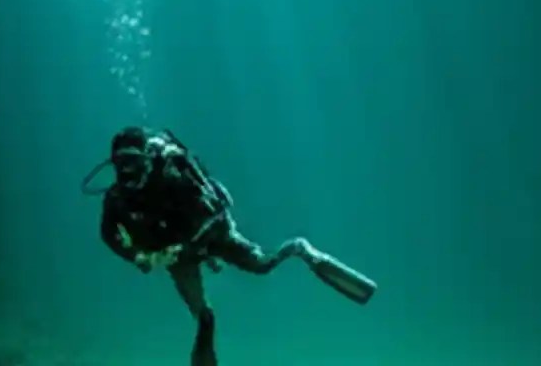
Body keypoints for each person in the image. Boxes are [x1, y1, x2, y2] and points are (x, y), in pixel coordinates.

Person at [84, 125, 377, 366]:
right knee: (203, 315)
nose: (127, 172)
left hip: (211, 238)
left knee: (261, 266)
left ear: (147, 158)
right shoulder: (117, 198)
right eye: (120, 164)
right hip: (175, 254)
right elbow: (107, 234)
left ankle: (299, 249)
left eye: (132, 162)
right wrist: (136, 256)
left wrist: (185, 250)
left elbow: (215, 216)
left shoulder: (175, 178)